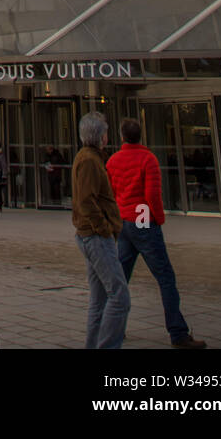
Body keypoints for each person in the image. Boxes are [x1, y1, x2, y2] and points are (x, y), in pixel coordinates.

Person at [107, 118, 207, 350]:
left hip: (124, 220)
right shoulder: (147, 159)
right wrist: (158, 218)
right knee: (165, 277)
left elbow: (112, 191)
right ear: (140, 135)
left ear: (122, 137)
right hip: (143, 219)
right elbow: (152, 194)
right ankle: (178, 333)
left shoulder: (113, 160)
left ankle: (113, 329)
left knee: (120, 278)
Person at [72, 111, 130, 350]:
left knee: (99, 300)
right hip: (95, 237)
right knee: (120, 297)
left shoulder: (89, 157)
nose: (108, 136)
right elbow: (87, 200)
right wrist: (103, 228)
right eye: (106, 132)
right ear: (100, 136)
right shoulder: (89, 160)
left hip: (92, 235)